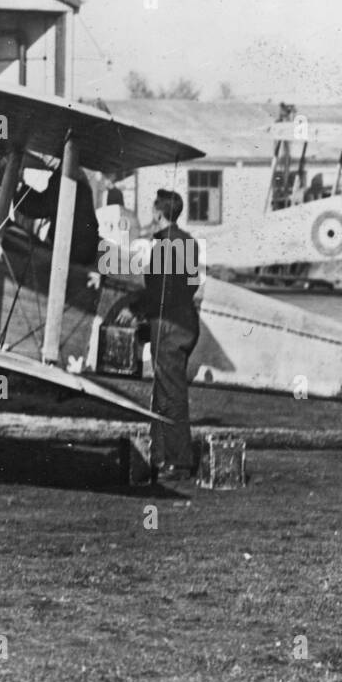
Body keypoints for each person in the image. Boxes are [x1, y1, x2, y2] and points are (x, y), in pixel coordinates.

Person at [117, 189, 200, 481]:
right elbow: (190, 285)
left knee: (170, 393)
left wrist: (135, 308)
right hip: (186, 322)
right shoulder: (188, 242)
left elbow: (159, 291)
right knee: (167, 390)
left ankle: (178, 462)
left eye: (153, 211)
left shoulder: (164, 246)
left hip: (168, 326)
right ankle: (162, 457)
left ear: (158, 213)